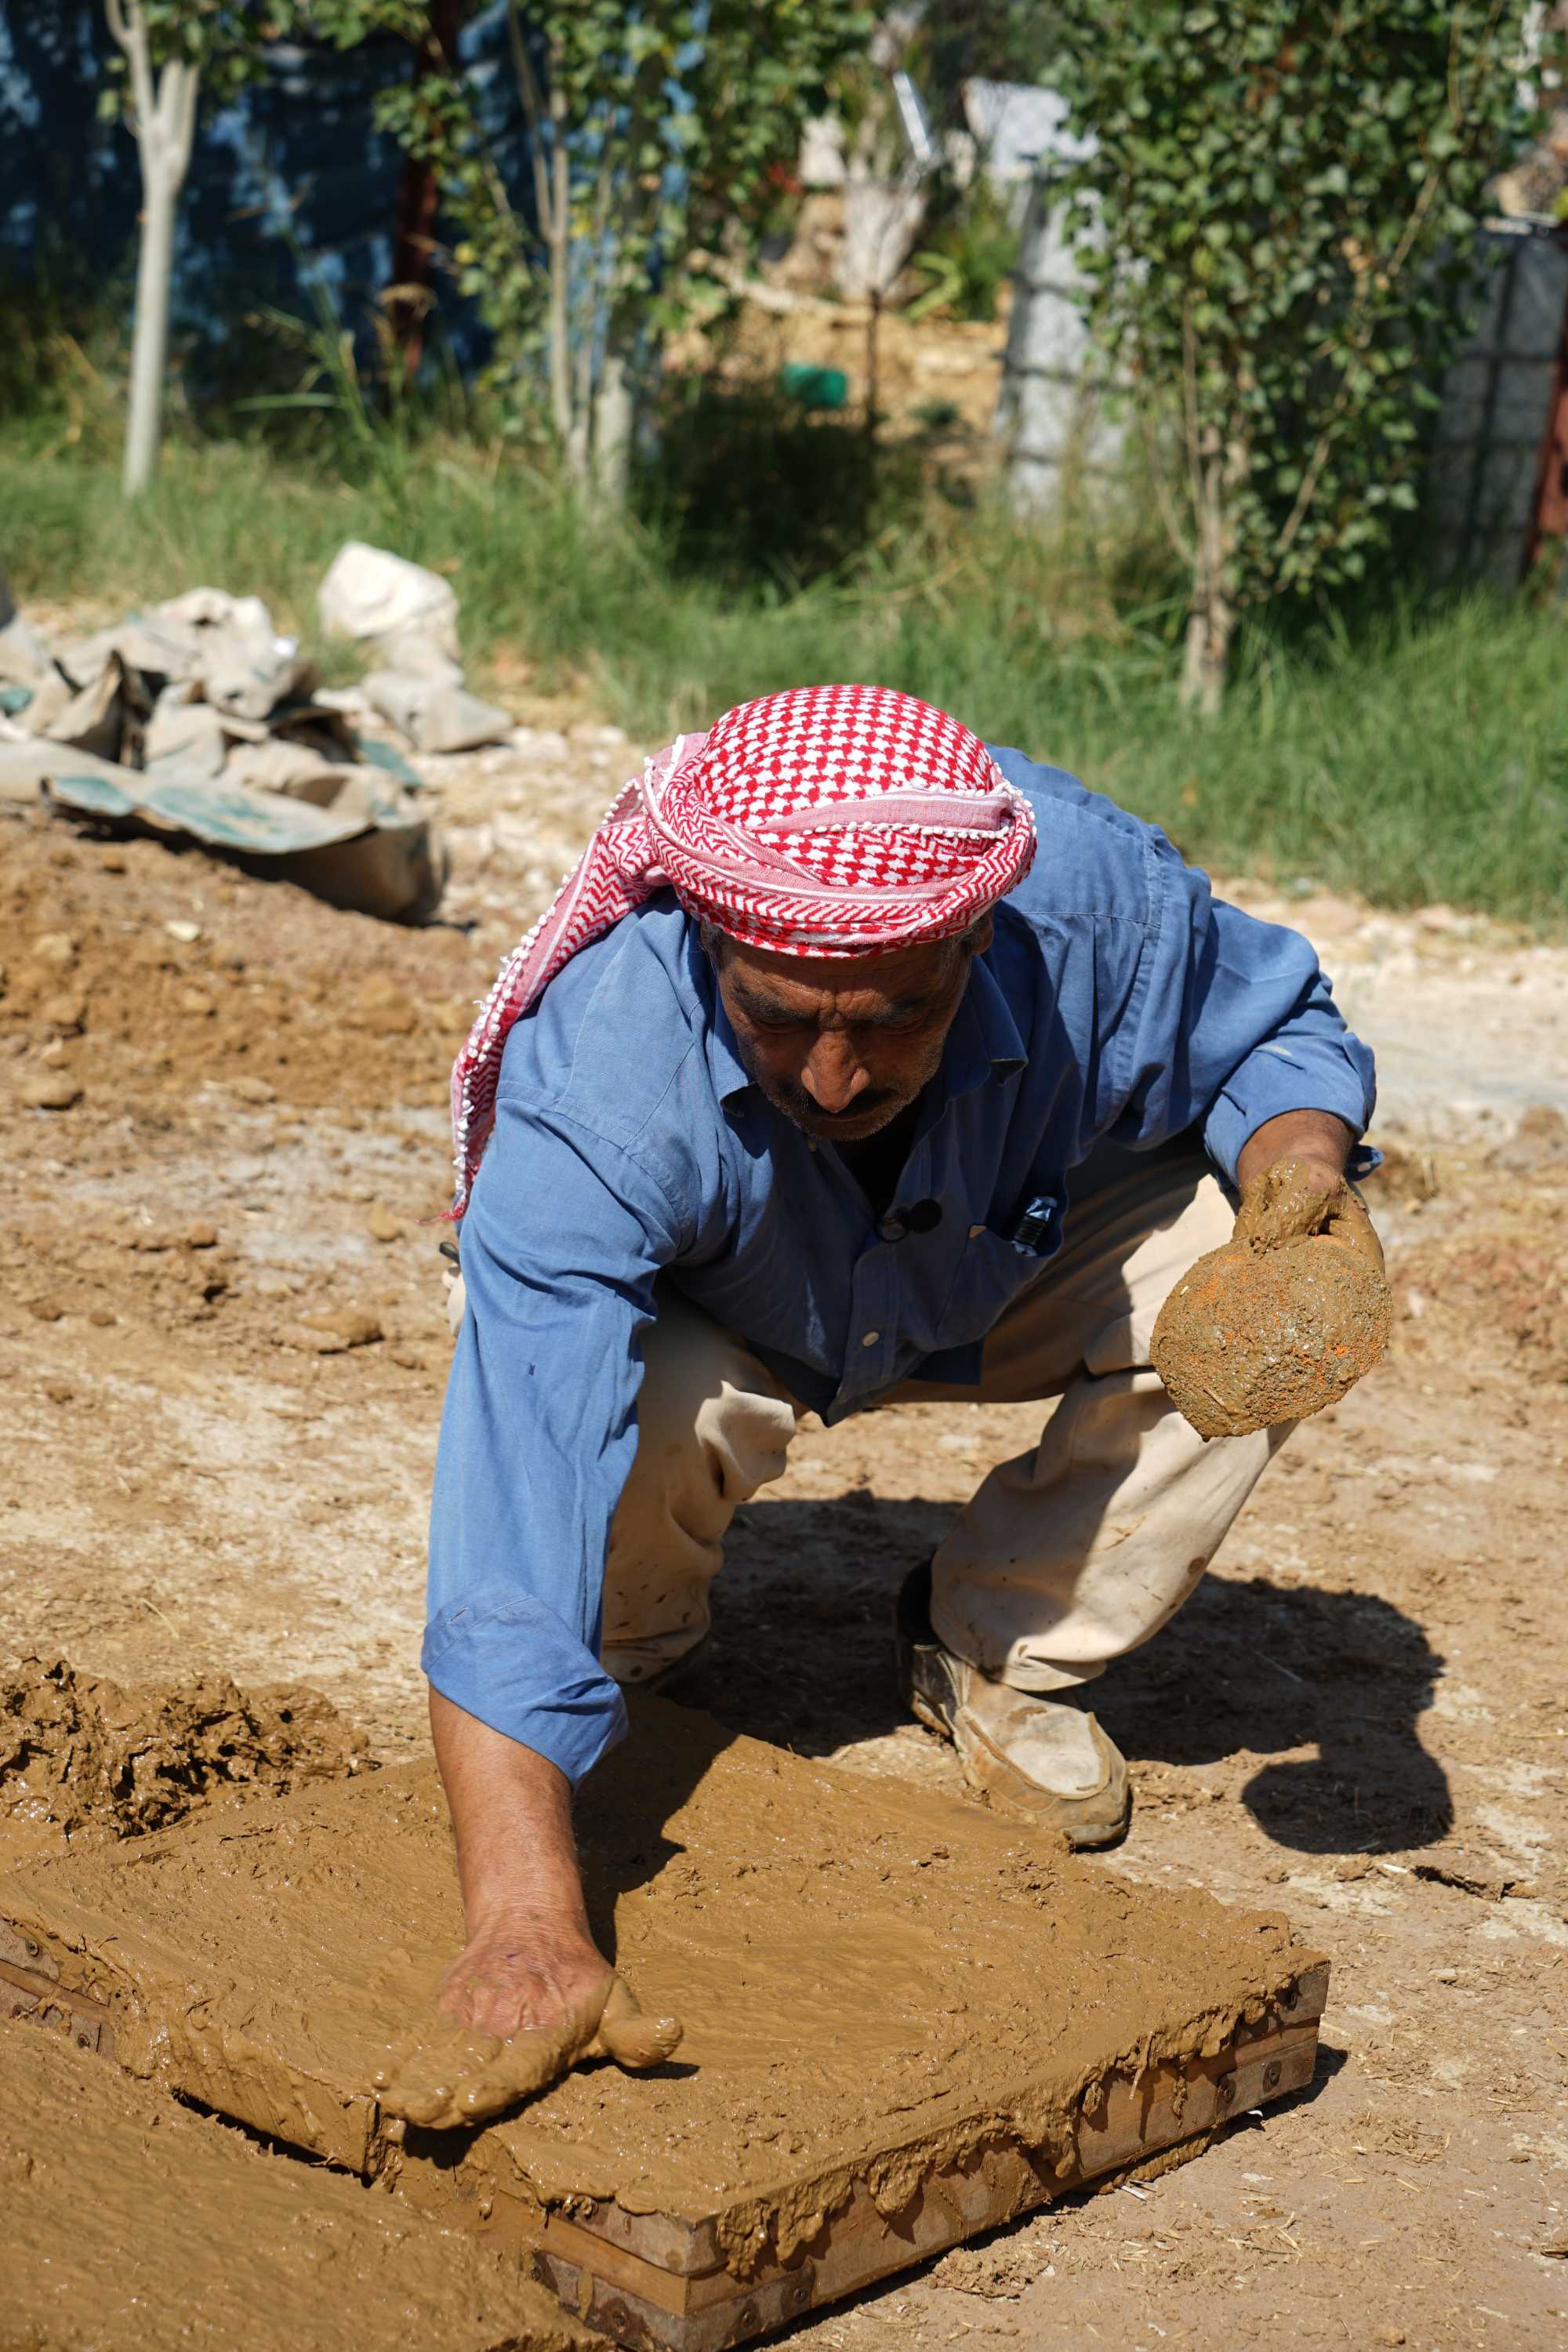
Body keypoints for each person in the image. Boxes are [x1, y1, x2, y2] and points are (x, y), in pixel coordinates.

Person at [377, 684, 1378, 2131]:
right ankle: (632, 1649)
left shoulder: (1086, 909)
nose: (838, 1079)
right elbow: (516, 1482)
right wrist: (528, 1922)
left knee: (1247, 1280)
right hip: (736, 1316)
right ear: (712, 940)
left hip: (994, 1267)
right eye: (778, 1019)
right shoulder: (599, 1080)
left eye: (901, 1014)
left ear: (978, 939)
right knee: (629, 1420)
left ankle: (1000, 1647)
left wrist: (1302, 1173)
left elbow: (1273, 1029)